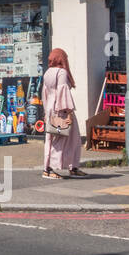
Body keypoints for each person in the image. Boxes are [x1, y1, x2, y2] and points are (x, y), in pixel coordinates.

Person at [41, 47, 84, 179]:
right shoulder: (61, 72)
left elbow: (45, 93)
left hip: (50, 107)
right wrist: (69, 113)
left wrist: (45, 111)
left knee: (52, 138)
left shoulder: (48, 72)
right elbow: (63, 92)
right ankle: (53, 169)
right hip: (62, 109)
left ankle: (52, 168)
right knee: (66, 138)